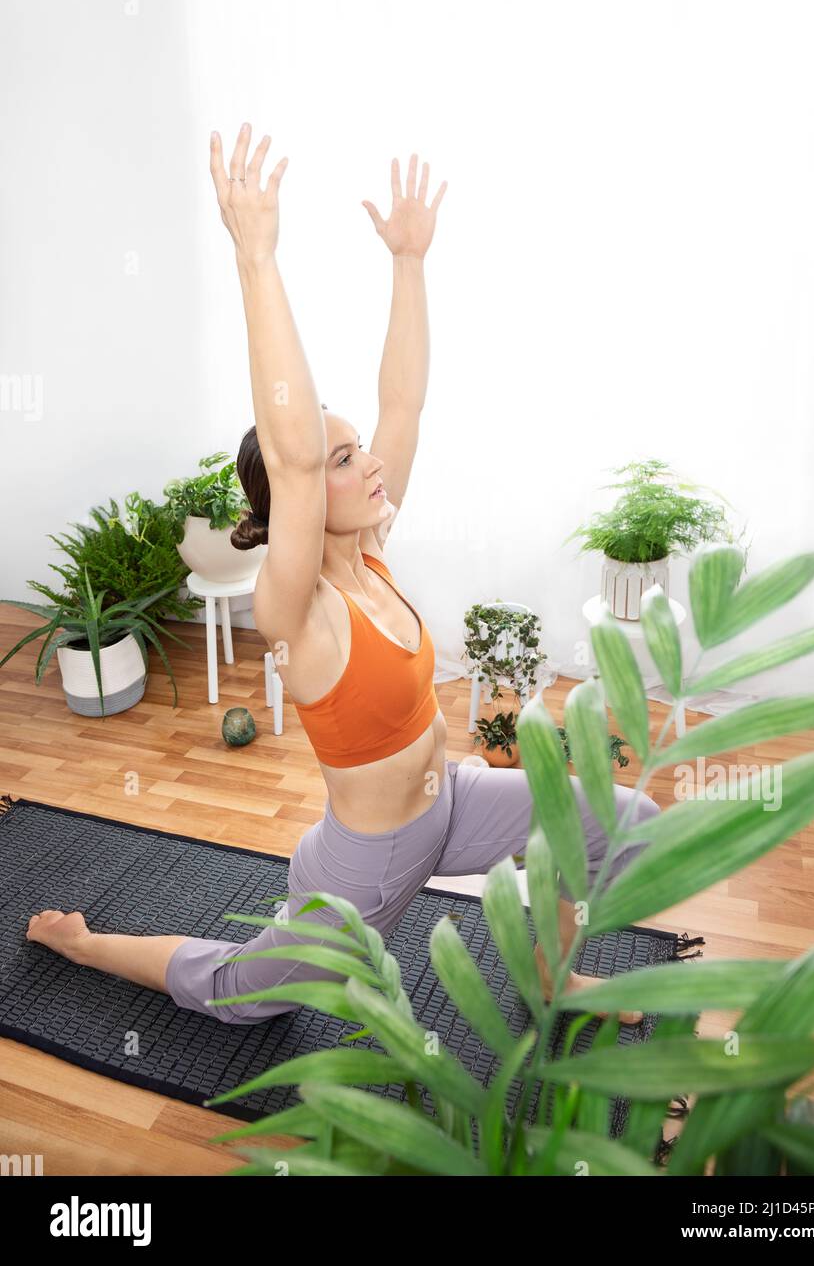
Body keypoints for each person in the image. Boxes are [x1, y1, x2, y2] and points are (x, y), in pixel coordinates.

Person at [27, 124, 661, 1026]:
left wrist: (409, 263)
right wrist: (257, 257)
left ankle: (553, 980)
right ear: (296, 496)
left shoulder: (369, 549)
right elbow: (289, 453)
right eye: (339, 460)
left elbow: (403, 400)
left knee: (611, 815)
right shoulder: (300, 607)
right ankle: (85, 943)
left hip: (451, 805)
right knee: (248, 998)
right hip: (366, 864)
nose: (366, 464)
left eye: (356, 450)